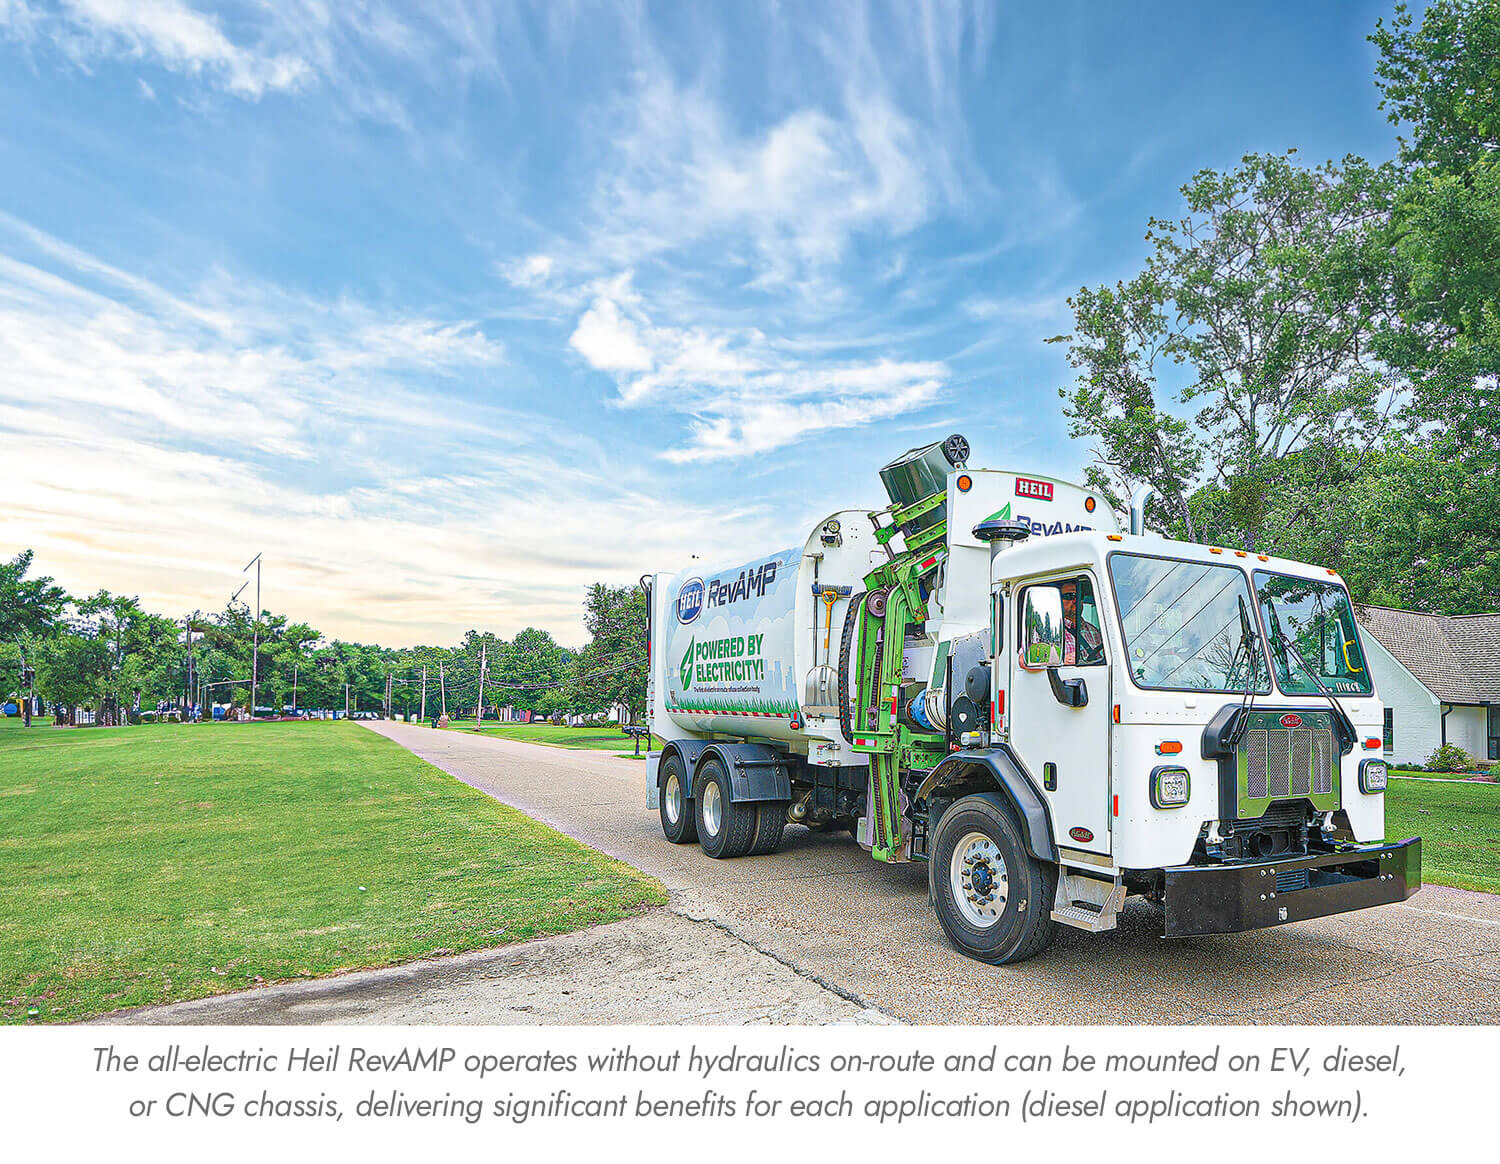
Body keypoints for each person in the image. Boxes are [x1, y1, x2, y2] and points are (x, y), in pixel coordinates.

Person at [1059, 580, 1105, 665]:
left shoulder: (1093, 630)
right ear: (1058, 600)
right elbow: (1034, 663)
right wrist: (1060, 661)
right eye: (1069, 596)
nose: (1075, 600)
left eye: (1080, 596)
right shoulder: (1049, 631)